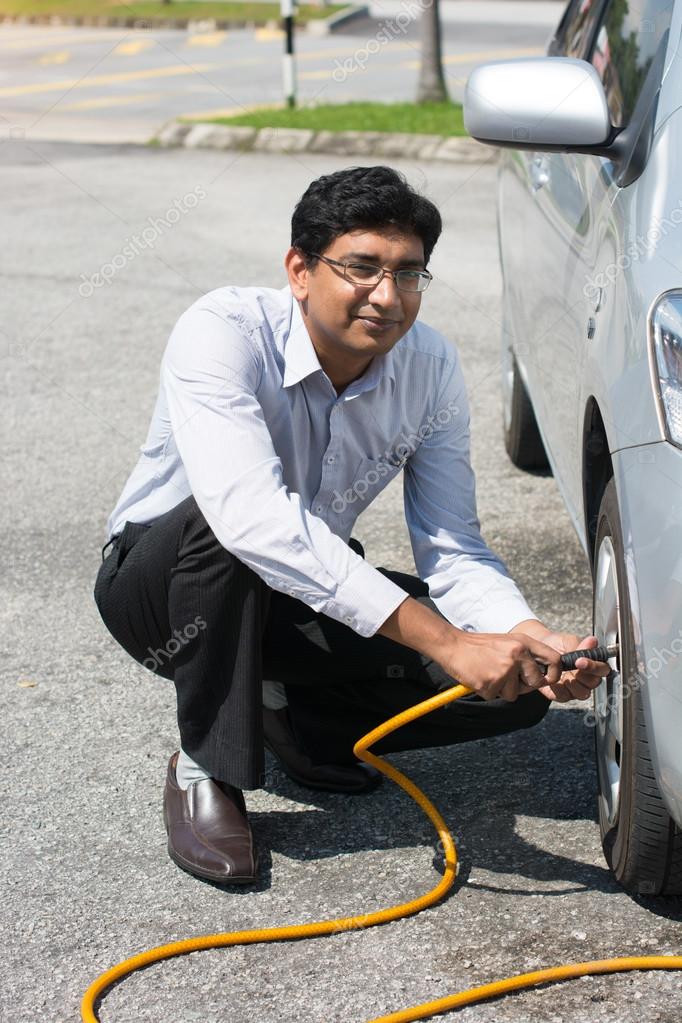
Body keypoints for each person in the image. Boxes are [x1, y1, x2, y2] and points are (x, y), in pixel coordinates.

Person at [93, 165, 609, 886]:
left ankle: (293, 718)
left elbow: (452, 542)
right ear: (300, 270)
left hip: (297, 585)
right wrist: (449, 642)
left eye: (409, 273)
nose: (388, 296)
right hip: (161, 592)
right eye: (362, 267)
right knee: (233, 527)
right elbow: (253, 519)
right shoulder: (222, 332)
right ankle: (207, 765)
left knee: (514, 689)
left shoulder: (429, 367)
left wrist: (521, 634)